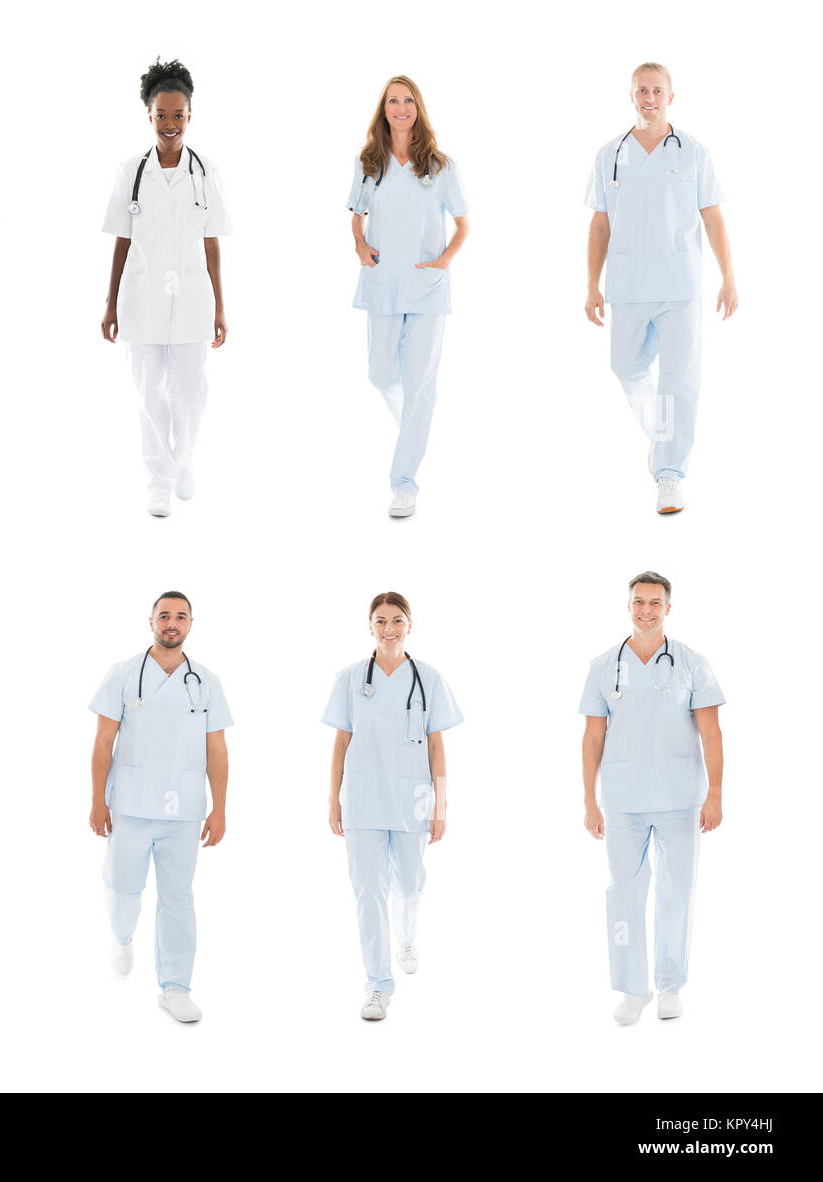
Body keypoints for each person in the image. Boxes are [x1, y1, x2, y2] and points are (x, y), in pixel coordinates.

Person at [584, 62, 738, 515]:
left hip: (679, 284)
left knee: (679, 380)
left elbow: (712, 217)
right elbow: (599, 224)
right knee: (625, 368)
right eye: (640, 91)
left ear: (671, 96)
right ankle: (662, 438)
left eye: (657, 90)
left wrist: (729, 276)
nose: (648, 98)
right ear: (631, 96)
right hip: (628, 282)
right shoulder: (610, 154)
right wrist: (591, 285)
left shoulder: (692, 152)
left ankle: (669, 474)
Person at [580, 571, 724, 1024]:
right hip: (623, 799)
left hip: (681, 799)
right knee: (623, 894)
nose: (647, 610)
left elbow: (711, 732)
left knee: (676, 893)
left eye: (655, 603)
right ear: (628, 606)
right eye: (639, 602)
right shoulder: (604, 665)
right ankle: (630, 988)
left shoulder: (691, 663)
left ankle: (669, 985)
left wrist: (715, 792)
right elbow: (592, 738)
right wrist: (589, 800)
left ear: (668, 608)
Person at [88, 592, 231, 1022]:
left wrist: (220, 808)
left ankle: (175, 987)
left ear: (191, 623)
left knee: (177, 900)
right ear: (150, 620)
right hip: (130, 804)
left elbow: (217, 750)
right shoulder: (124, 675)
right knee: (123, 887)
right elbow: (102, 743)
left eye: (180, 617)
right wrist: (97, 799)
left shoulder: (205, 681)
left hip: (183, 810)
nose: (172, 623)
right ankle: (122, 934)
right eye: (164, 615)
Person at [101, 59, 232, 518]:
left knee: (192, 390)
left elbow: (212, 244)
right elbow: (122, 239)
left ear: (190, 115)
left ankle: (185, 461)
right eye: (162, 115)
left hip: (194, 299)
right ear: (150, 116)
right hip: (141, 300)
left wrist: (220, 306)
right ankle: (159, 480)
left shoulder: (207, 172)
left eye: (178, 115)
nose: (170, 124)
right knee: (149, 393)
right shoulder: (130, 172)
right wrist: (110, 304)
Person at [322, 592, 461, 1019]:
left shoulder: (429, 677)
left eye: (397, 620)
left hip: (412, 798)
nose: (389, 628)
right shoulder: (350, 678)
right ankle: (378, 985)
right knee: (368, 892)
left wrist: (441, 803)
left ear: (409, 625)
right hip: (363, 800)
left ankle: (406, 936)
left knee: (410, 884)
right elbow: (341, 740)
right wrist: (332, 797)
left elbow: (436, 744)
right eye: (380, 621)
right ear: (370, 626)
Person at [347, 76, 469, 520]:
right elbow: (357, 217)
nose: (401, 108)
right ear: (384, 110)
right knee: (381, 374)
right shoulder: (368, 163)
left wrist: (444, 261)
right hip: (382, 282)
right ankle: (416, 431)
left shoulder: (440, 166)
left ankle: (404, 484)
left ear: (418, 108)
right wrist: (359, 246)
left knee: (420, 387)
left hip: (426, 287)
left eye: (408, 100)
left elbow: (463, 224)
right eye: (393, 101)